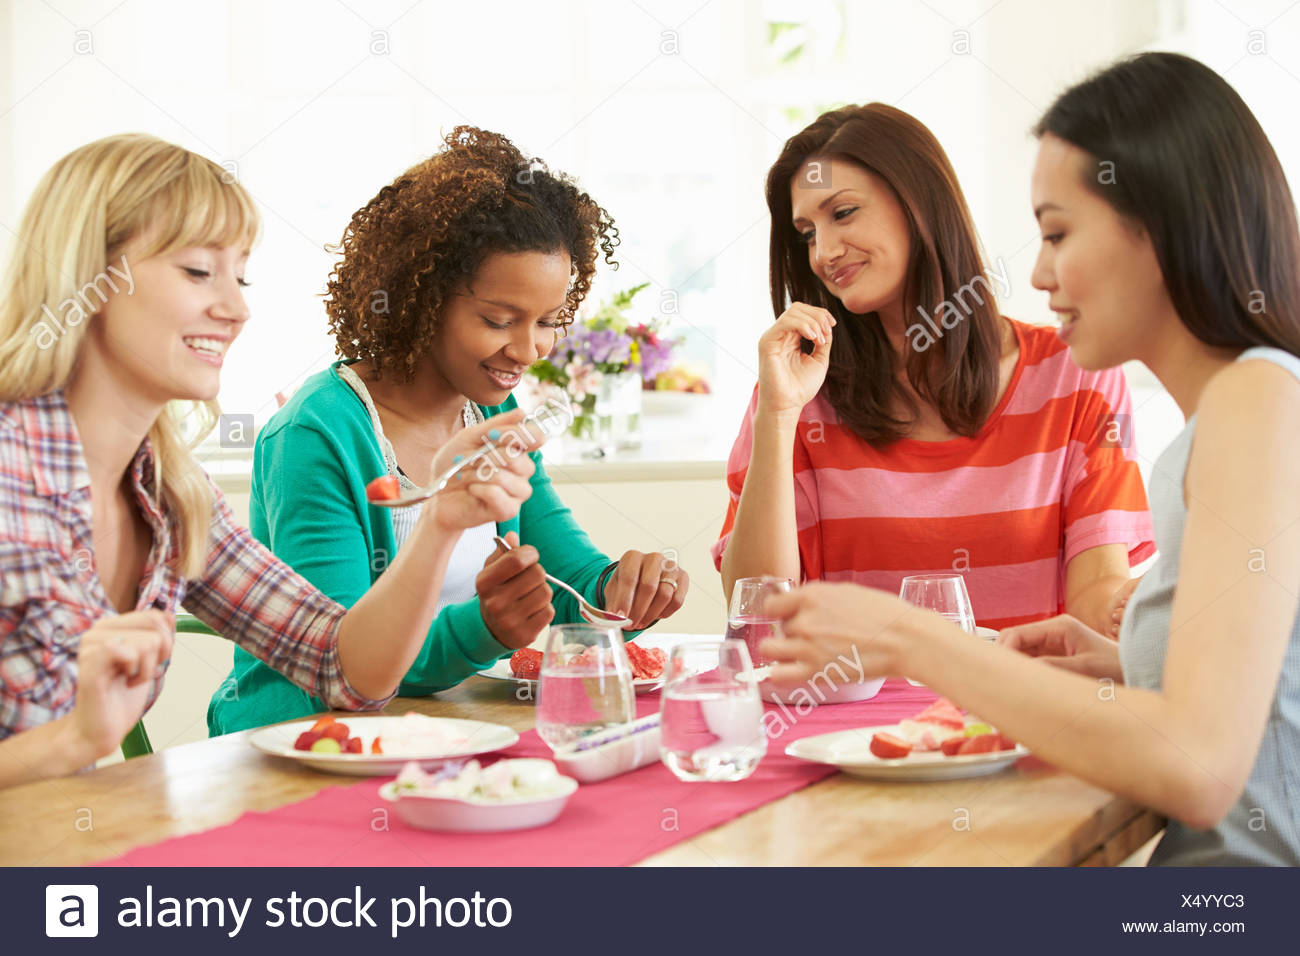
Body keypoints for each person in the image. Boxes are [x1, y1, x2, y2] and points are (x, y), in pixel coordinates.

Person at [762, 52, 1300, 865]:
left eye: (1057, 232)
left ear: (1160, 227)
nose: (1040, 272)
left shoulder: (1256, 402)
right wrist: (1125, 664)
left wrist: (913, 640)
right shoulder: (1240, 407)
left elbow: (1200, 770)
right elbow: (1264, 703)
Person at [0, 134, 538, 789]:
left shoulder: (169, 492)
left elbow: (344, 667)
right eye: (199, 271)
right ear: (89, 278)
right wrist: (73, 743)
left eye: (241, 275)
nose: (236, 308)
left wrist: (441, 523)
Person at [207, 127, 688, 735]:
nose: (528, 349)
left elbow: (570, 585)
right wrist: (483, 630)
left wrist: (625, 591)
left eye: (549, 321)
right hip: (302, 746)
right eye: (498, 319)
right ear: (422, 299)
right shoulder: (316, 433)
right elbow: (344, 665)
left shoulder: (489, 418)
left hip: (435, 733)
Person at [713, 103, 1155, 636]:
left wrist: (1139, 612)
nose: (823, 252)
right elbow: (758, 615)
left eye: (843, 213)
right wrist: (780, 417)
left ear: (919, 201)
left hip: (1020, 709)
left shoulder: (1077, 375)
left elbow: (1095, 594)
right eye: (806, 233)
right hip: (852, 718)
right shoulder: (796, 389)